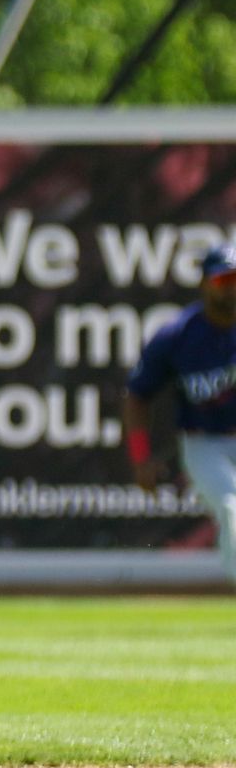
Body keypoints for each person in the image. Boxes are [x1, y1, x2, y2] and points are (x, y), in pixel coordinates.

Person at [124, 242, 236, 584]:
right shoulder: (177, 336)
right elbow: (137, 396)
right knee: (233, 510)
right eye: (222, 280)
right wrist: (142, 456)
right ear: (204, 283)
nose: (230, 287)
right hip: (206, 445)